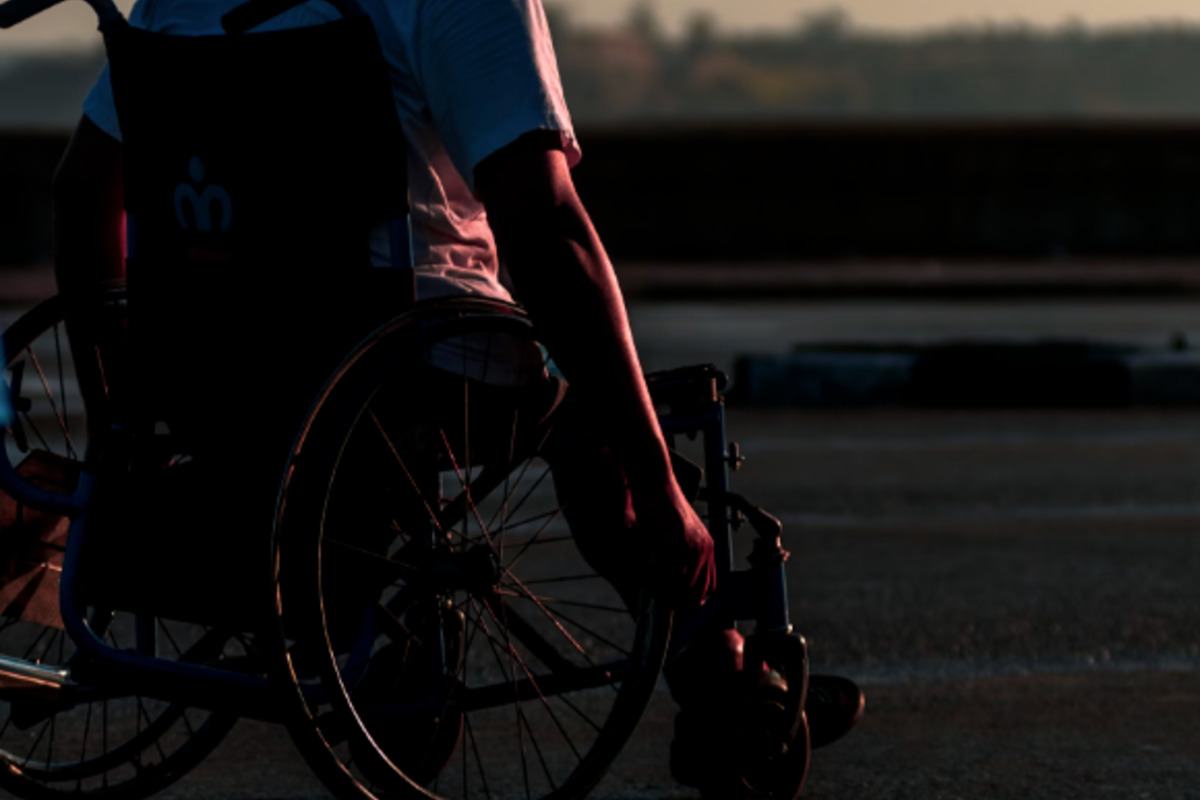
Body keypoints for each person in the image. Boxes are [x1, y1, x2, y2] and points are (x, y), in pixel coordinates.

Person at [51, 0, 858, 786]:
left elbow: (82, 192)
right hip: (408, 366)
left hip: (212, 374)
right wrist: (656, 479)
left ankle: (407, 624)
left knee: (458, 391)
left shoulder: (175, 3)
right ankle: (720, 673)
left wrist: (116, 420)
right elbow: (545, 228)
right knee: (598, 421)